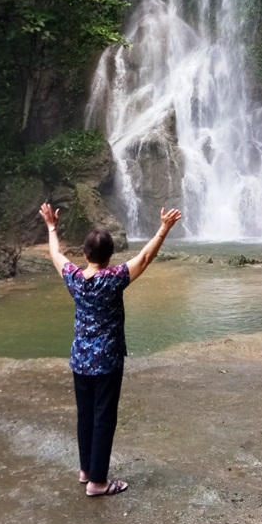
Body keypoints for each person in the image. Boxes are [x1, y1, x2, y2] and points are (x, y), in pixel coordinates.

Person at [39, 202, 182, 497]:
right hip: (107, 360)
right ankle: (98, 482)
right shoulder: (114, 279)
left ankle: (86, 470)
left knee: (85, 414)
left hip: (80, 359)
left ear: (85, 254)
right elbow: (144, 258)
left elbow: (55, 254)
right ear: (109, 255)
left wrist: (52, 227)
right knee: (104, 417)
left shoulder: (75, 279)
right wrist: (164, 229)